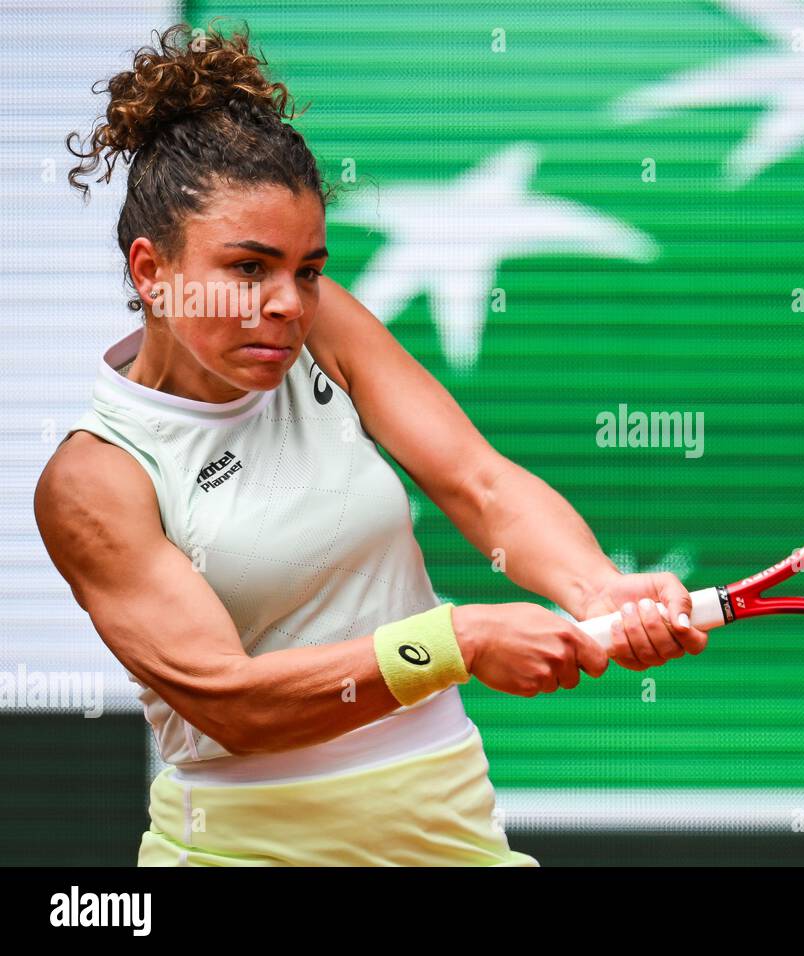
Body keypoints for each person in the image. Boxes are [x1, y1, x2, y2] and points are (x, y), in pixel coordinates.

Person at [34, 19, 708, 866]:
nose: (286, 301)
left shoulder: (322, 330)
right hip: (236, 851)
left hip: (447, 823)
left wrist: (597, 588)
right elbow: (234, 703)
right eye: (249, 268)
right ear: (150, 272)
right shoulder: (95, 479)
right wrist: (457, 642)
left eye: (306, 269)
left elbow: (479, 482)